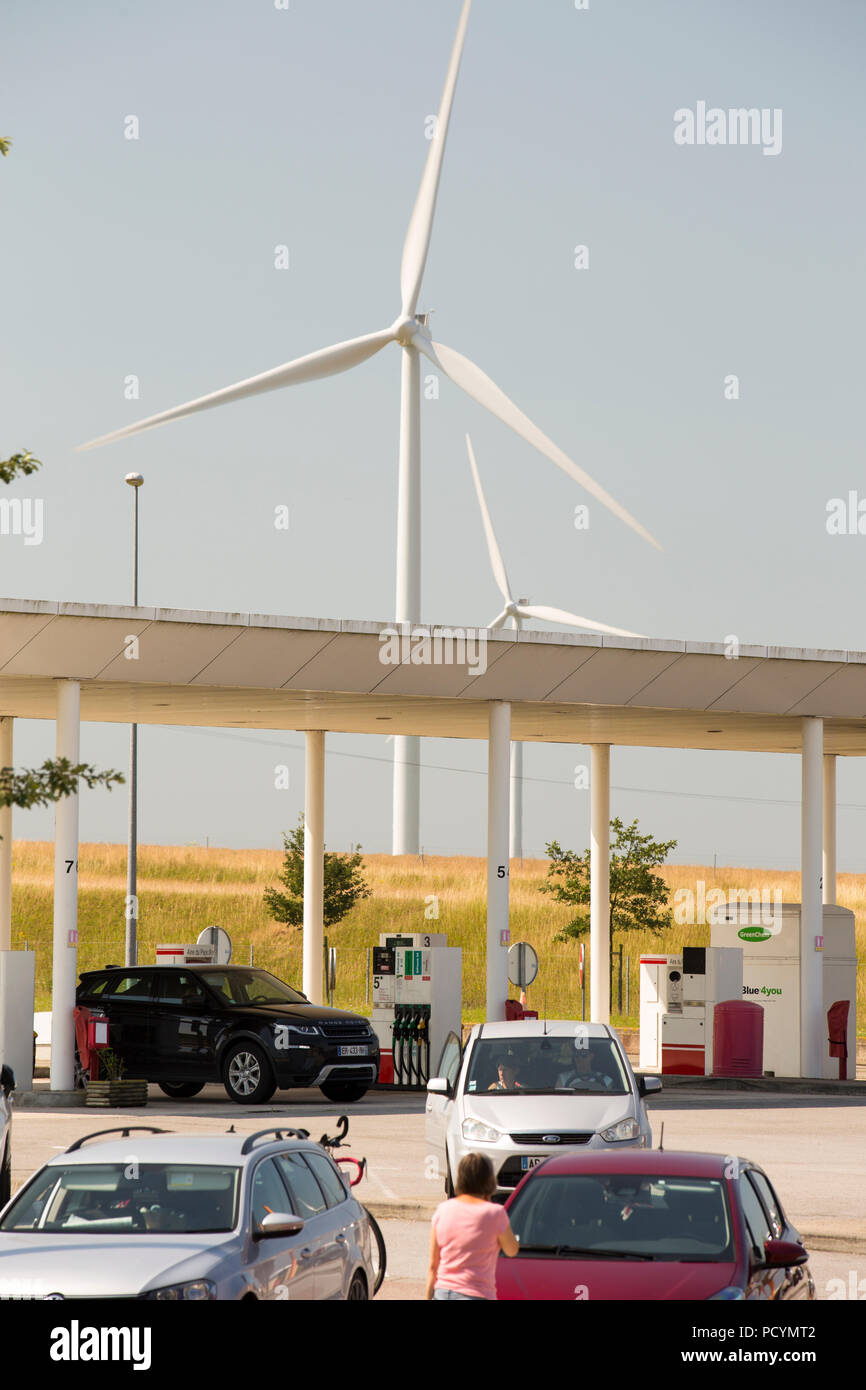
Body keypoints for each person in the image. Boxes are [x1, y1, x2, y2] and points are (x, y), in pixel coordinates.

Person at [426, 1153, 519, 1300]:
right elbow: (512, 1250)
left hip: (442, 1293)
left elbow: (433, 1265)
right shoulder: (494, 1213)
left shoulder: (443, 1210)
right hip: (476, 1294)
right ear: (489, 1181)